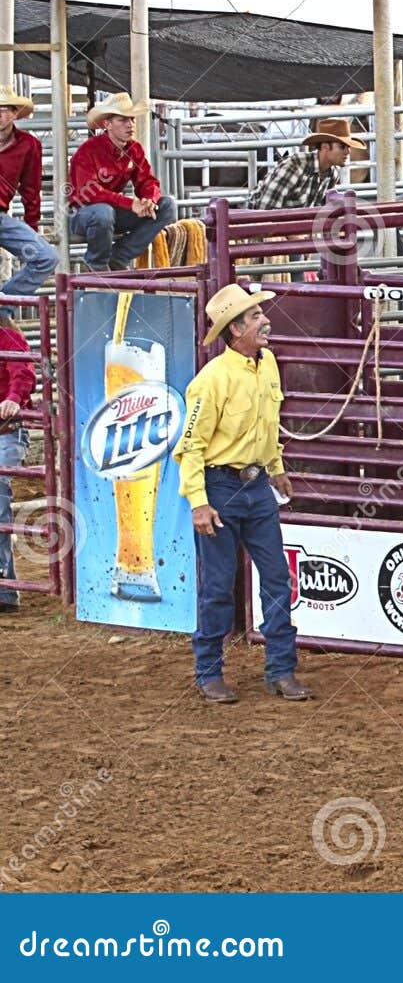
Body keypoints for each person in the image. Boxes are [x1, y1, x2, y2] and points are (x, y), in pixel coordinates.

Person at [172, 284, 311, 704]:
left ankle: (281, 669)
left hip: (255, 485)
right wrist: (198, 500)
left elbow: (270, 425)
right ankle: (209, 671)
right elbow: (190, 446)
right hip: (220, 487)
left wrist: (278, 470)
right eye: (254, 317)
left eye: (259, 314)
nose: (264, 320)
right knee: (217, 584)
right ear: (234, 330)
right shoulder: (211, 380)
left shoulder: (267, 364)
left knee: (276, 578)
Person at [67, 93, 178, 271]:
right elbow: (88, 192)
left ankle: (119, 256)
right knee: (103, 212)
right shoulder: (88, 150)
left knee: (166, 206)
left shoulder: (134, 149)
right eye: (123, 120)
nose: (130, 125)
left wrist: (149, 200)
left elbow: (147, 180)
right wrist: (130, 203)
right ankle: (97, 264)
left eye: (132, 119)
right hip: (81, 214)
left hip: (109, 213)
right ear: (107, 124)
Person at [0, 88, 56, 304]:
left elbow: (31, 189)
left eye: (4, 110)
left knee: (46, 257)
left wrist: (31, 226)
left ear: (15, 114)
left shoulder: (29, 145)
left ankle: (4, 305)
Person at [246, 118, 359, 210]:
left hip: (292, 228)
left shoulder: (332, 174)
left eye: (348, 147)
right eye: (342, 147)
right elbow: (264, 208)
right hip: (267, 228)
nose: (348, 152)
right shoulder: (295, 166)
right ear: (325, 147)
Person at [0, 312, 34, 612]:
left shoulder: (9, 337)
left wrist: (14, 398)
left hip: (6, 431)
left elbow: (22, 371)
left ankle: (3, 586)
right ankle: (5, 591)